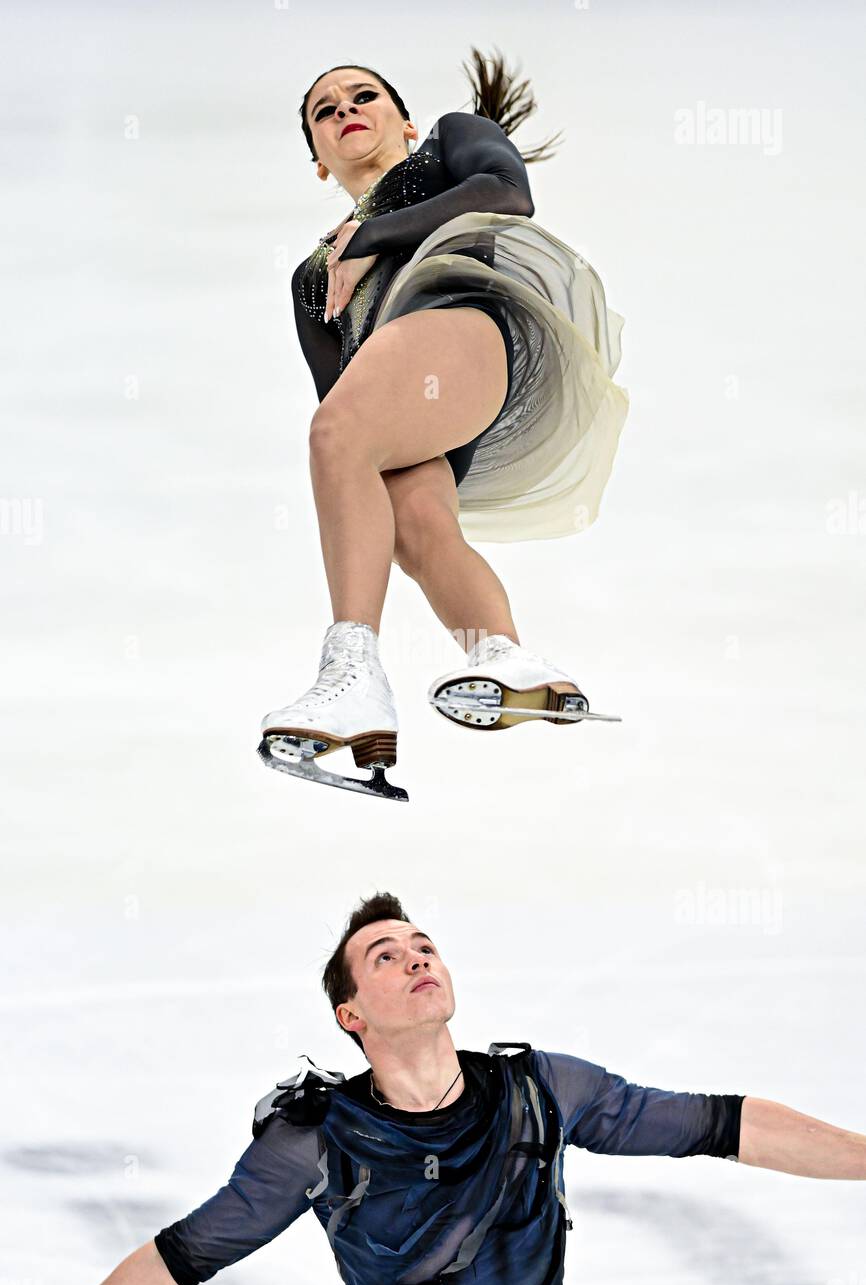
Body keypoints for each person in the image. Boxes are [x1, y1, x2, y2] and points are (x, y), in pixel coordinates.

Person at [88, 893, 866, 1285]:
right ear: (350, 1016)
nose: (416, 958)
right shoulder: (320, 1140)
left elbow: (720, 1125)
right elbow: (179, 1260)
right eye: (385, 957)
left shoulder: (544, 1089)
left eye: (424, 945)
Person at [259, 48, 630, 800]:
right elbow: (343, 398)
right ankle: (507, 657)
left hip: (464, 332)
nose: (344, 111)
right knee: (416, 524)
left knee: (338, 438)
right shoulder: (312, 277)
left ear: (405, 121)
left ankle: (352, 675)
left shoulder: (446, 146)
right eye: (324, 113)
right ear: (319, 163)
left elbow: (506, 194)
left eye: (361, 96)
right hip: (407, 398)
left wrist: (371, 237)